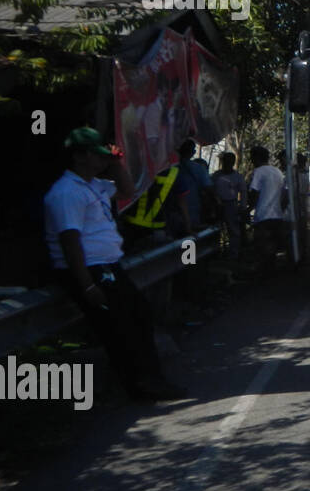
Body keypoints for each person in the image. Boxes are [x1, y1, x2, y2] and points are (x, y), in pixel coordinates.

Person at [43, 127, 187, 402]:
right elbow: (70, 241)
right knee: (121, 328)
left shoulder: (94, 186)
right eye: (97, 155)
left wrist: (117, 163)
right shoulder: (67, 193)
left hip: (107, 266)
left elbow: (128, 190)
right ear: (80, 156)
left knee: (139, 316)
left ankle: (147, 381)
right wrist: (86, 285)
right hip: (92, 270)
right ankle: (142, 385)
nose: (102, 160)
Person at [247, 146, 286, 275]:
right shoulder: (278, 172)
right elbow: (284, 194)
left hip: (263, 216)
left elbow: (254, 193)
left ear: (256, 158)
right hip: (277, 215)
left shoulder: (258, 172)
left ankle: (264, 274)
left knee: (262, 246)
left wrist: (248, 209)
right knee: (272, 246)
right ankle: (271, 272)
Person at [211, 151, 246, 258]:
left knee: (233, 230)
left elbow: (243, 192)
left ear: (233, 162)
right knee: (215, 230)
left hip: (231, 205)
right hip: (217, 205)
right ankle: (215, 252)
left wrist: (243, 207)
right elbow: (210, 189)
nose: (227, 163)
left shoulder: (238, 176)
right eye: (225, 161)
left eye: (230, 161)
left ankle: (233, 254)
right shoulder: (216, 175)